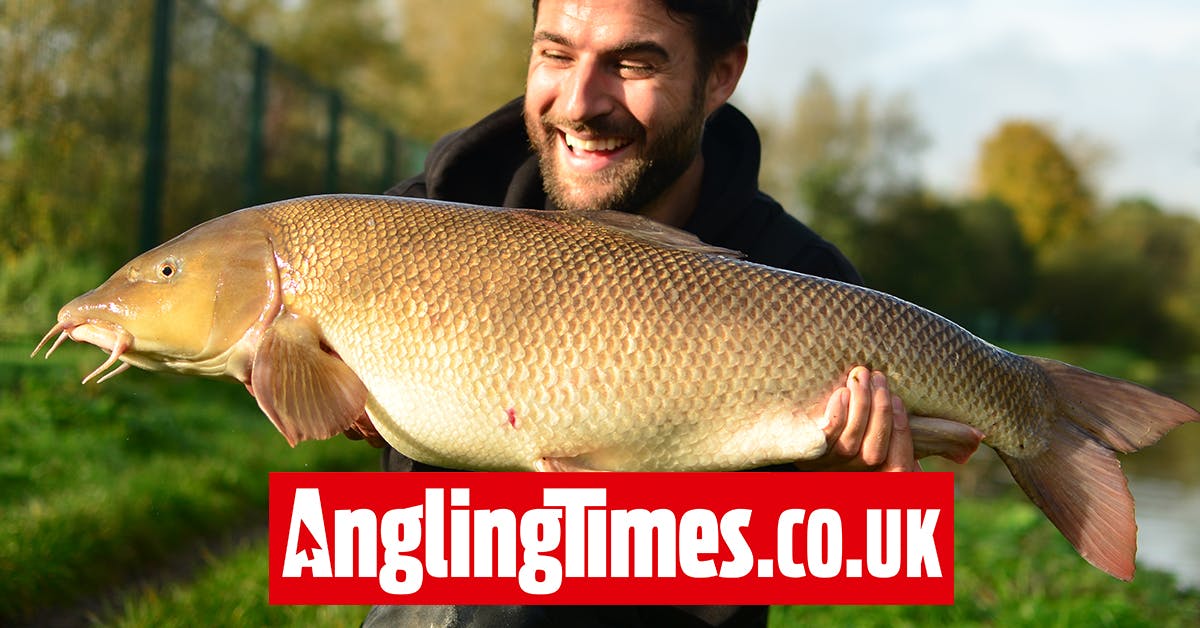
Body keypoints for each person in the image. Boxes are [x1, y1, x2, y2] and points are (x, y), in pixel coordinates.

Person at [366, 1, 920, 626]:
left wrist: (832, 502)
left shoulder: (801, 281)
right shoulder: (422, 223)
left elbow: (844, 548)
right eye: (555, 54)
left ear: (720, 76)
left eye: (632, 64)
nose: (579, 103)